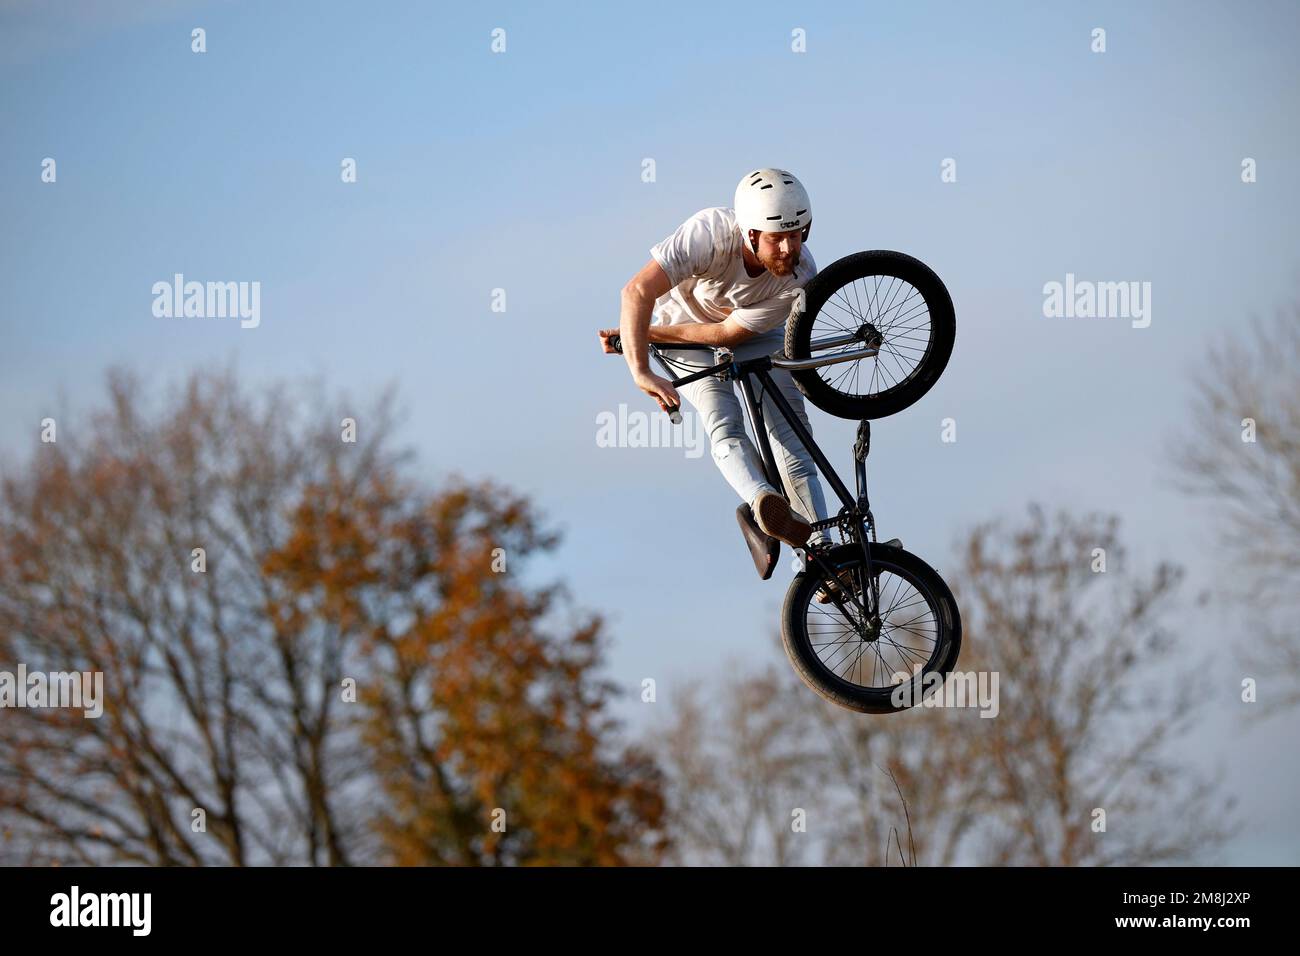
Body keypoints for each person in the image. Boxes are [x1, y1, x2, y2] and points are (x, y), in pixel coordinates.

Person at [598, 168, 833, 577]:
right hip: (678, 329)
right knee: (720, 417)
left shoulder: (799, 277)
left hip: (747, 330)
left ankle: (821, 554)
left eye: (796, 234)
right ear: (749, 234)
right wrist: (639, 367)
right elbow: (636, 292)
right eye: (776, 238)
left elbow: (728, 334)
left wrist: (641, 332)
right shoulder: (709, 233)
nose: (786, 248)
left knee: (791, 436)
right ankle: (763, 502)